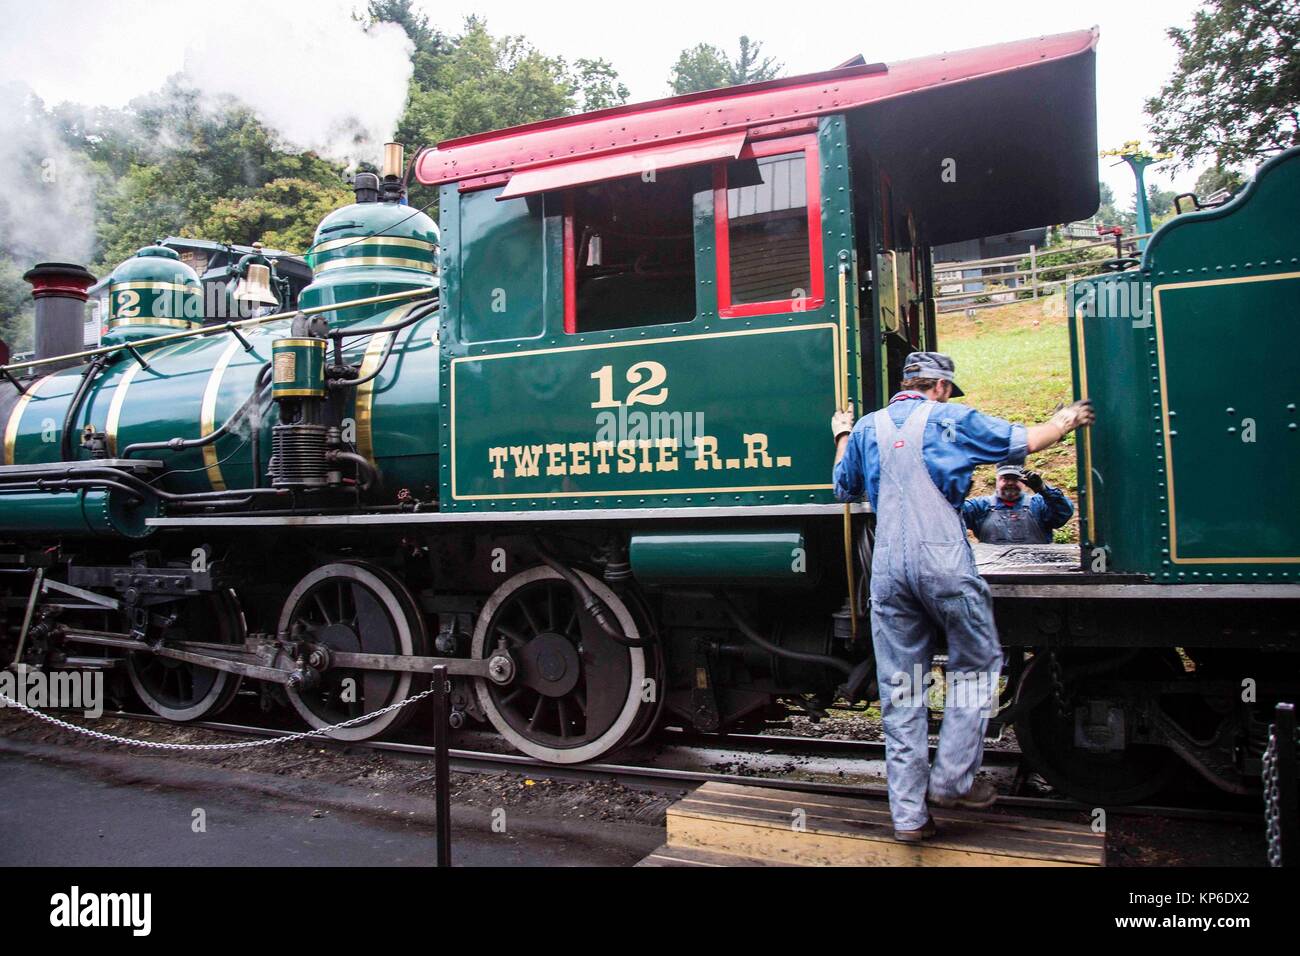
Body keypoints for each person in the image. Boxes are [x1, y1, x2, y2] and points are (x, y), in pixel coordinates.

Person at [831, 352, 1094, 842]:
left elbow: (843, 484)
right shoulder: (953, 418)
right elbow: (1027, 442)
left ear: (907, 384)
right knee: (976, 661)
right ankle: (952, 779)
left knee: (903, 688)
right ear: (942, 387)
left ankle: (908, 818)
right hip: (943, 561)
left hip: (887, 568)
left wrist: (841, 433)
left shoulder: (867, 428)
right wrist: (1067, 418)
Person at [962, 462, 1074, 544]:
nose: (1010, 483)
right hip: (994, 573)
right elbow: (951, 516)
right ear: (997, 481)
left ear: (1024, 482)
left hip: (1037, 571)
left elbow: (1064, 513)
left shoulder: (1039, 504)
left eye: (1015, 479)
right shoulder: (978, 506)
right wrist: (959, 493)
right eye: (1005, 479)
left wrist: (1043, 490)